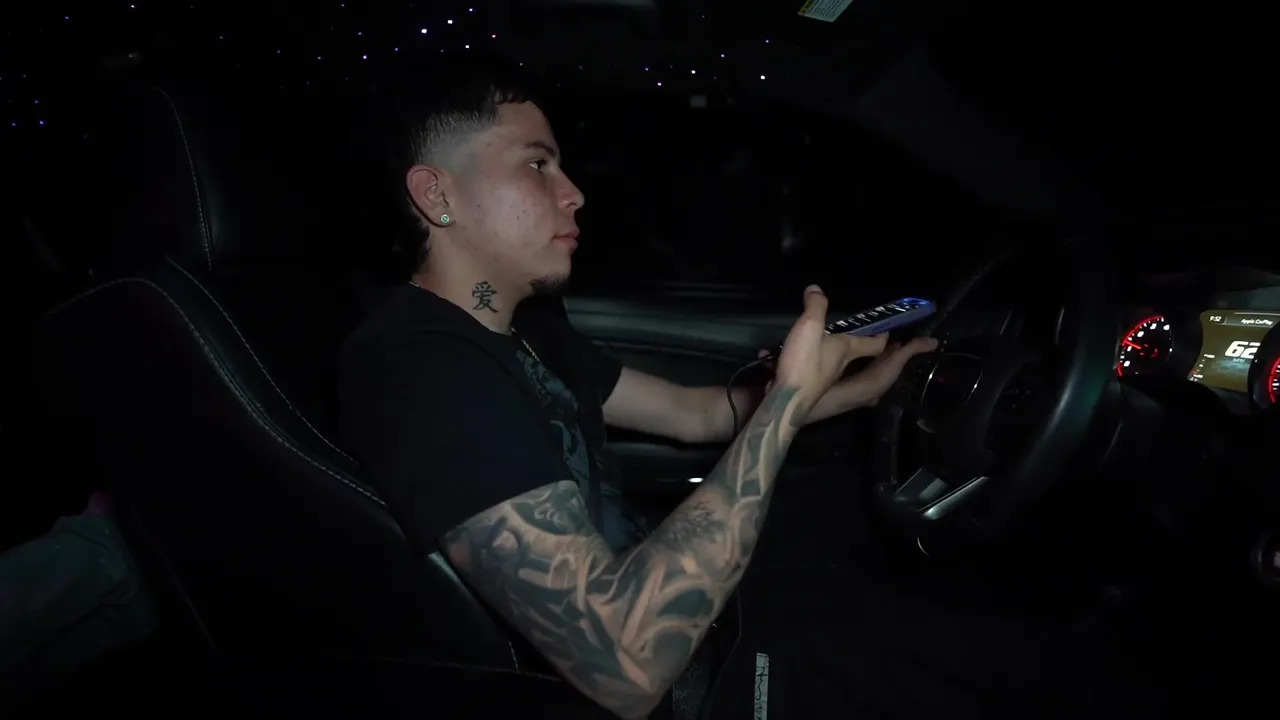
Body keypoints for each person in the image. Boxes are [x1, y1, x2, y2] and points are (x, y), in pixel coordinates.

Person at [340, 57, 936, 719]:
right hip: (679, 685)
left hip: (695, 610)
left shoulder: (526, 325)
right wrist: (787, 402)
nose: (574, 193)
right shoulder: (418, 371)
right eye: (537, 165)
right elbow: (627, 665)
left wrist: (853, 391)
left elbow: (692, 414)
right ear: (437, 195)